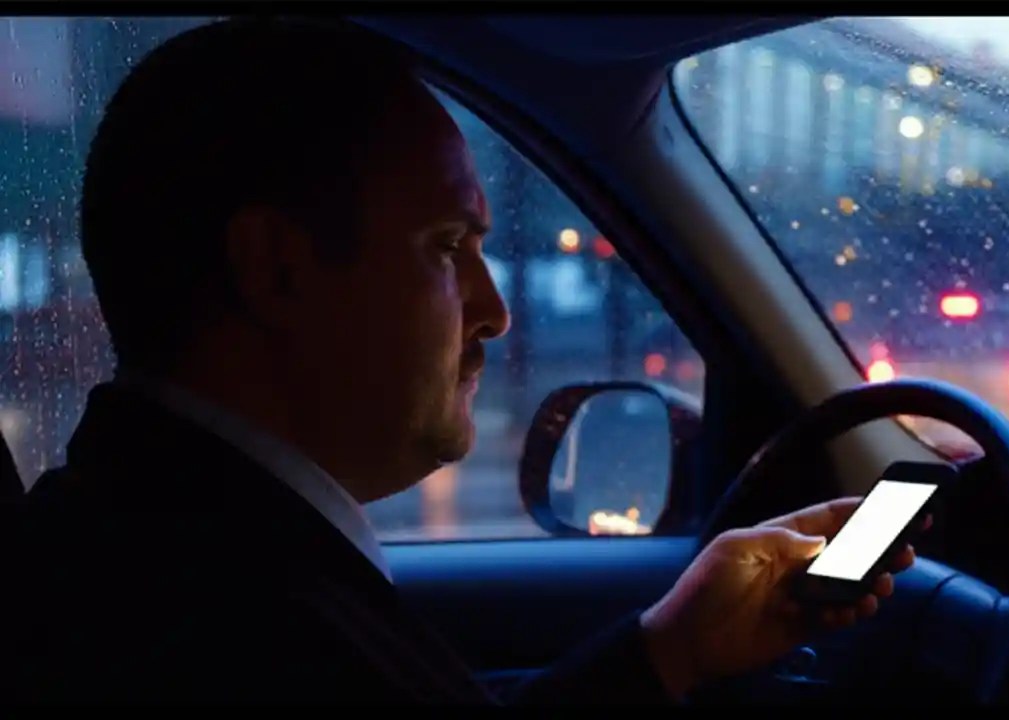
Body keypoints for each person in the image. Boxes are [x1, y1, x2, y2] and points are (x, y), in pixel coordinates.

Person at [9, 17, 918, 704]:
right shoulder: (230, 635)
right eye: (448, 246)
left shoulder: (139, 551)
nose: (494, 312)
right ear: (275, 268)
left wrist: (673, 646)